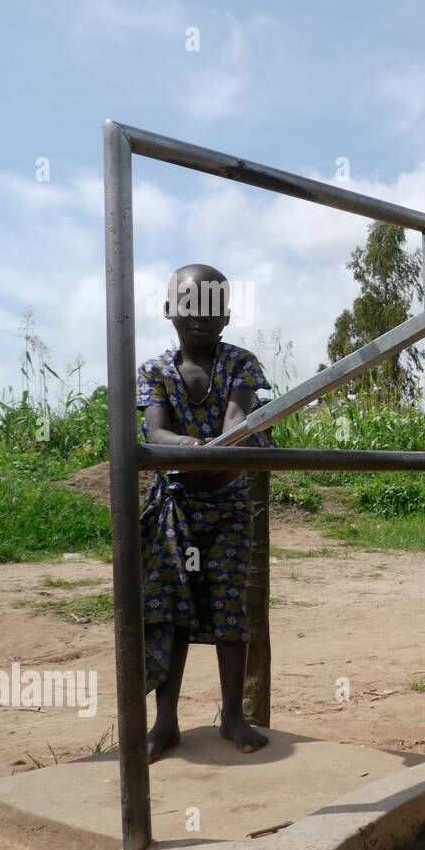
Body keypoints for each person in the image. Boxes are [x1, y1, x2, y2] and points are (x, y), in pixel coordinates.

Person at [137, 263, 271, 762]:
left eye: (212, 306)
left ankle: (232, 714)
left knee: (230, 606)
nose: (200, 315)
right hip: (177, 507)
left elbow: (237, 420)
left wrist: (217, 447)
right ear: (170, 310)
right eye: (189, 304)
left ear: (227, 316)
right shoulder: (154, 371)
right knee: (169, 609)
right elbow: (155, 434)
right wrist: (194, 445)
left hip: (230, 507)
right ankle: (165, 721)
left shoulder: (240, 364)